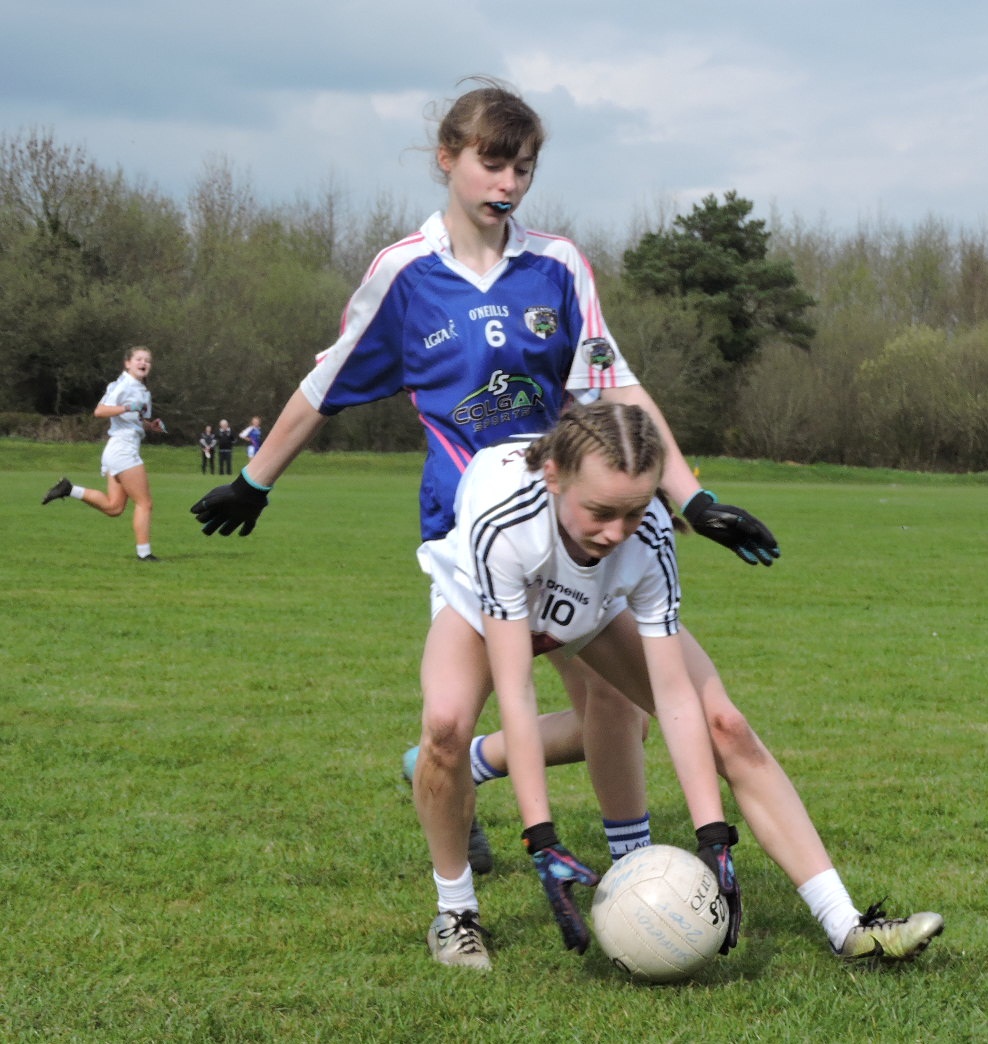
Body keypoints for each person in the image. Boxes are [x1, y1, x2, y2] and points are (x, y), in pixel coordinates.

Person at [189, 78, 941, 964]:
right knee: (446, 725)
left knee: (697, 721)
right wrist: (255, 481)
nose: (507, 182)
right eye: (491, 163)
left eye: (523, 168)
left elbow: (617, 389)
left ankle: (844, 924)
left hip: (585, 525)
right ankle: (457, 907)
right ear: (447, 158)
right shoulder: (404, 273)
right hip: (479, 540)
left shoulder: (559, 266)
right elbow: (324, 386)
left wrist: (691, 496)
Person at [415, 401, 740, 968]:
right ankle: (456, 911)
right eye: (603, 512)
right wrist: (541, 839)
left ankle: (632, 866)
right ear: (556, 478)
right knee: (444, 727)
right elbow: (516, 692)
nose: (618, 531)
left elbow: (674, 696)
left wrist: (713, 834)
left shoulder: (642, 531)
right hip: (492, 584)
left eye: (633, 512)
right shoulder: (505, 519)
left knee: (619, 707)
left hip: (581, 580)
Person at [42, 344, 166, 561]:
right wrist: (127, 407)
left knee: (114, 507)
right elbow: (100, 411)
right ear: (127, 363)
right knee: (144, 503)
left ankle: (68, 489)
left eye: (147, 360)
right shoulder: (123, 385)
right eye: (139, 359)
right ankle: (144, 554)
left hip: (119, 448)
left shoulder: (141, 389)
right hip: (123, 448)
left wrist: (149, 426)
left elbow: (133, 419)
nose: (144, 363)